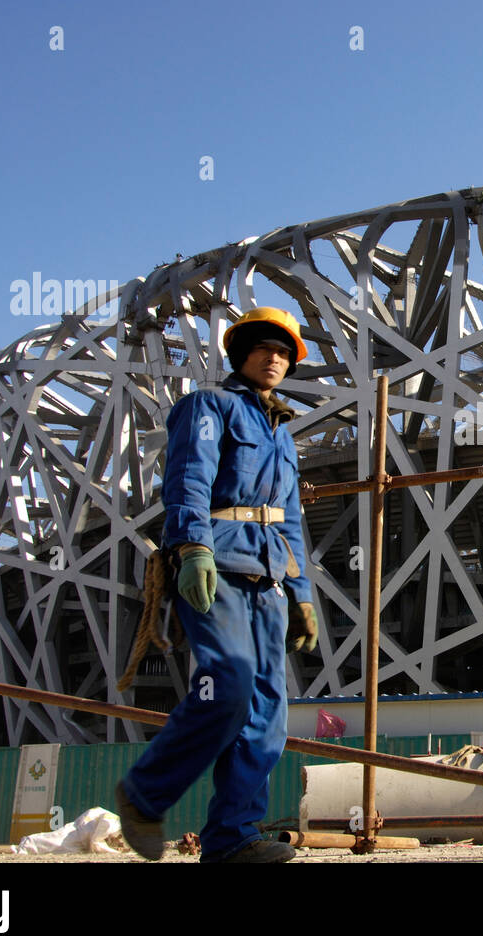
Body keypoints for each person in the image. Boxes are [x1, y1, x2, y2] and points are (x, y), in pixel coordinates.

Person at [117, 306, 318, 863]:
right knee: (227, 685)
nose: (275, 358)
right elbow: (189, 478)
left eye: (284, 351)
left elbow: (290, 519)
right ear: (240, 353)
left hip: (271, 580)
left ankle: (232, 839)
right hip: (218, 568)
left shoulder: (282, 434)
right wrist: (193, 548)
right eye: (264, 347)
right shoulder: (209, 406)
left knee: (267, 714)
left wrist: (302, 596)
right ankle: (142, 794)